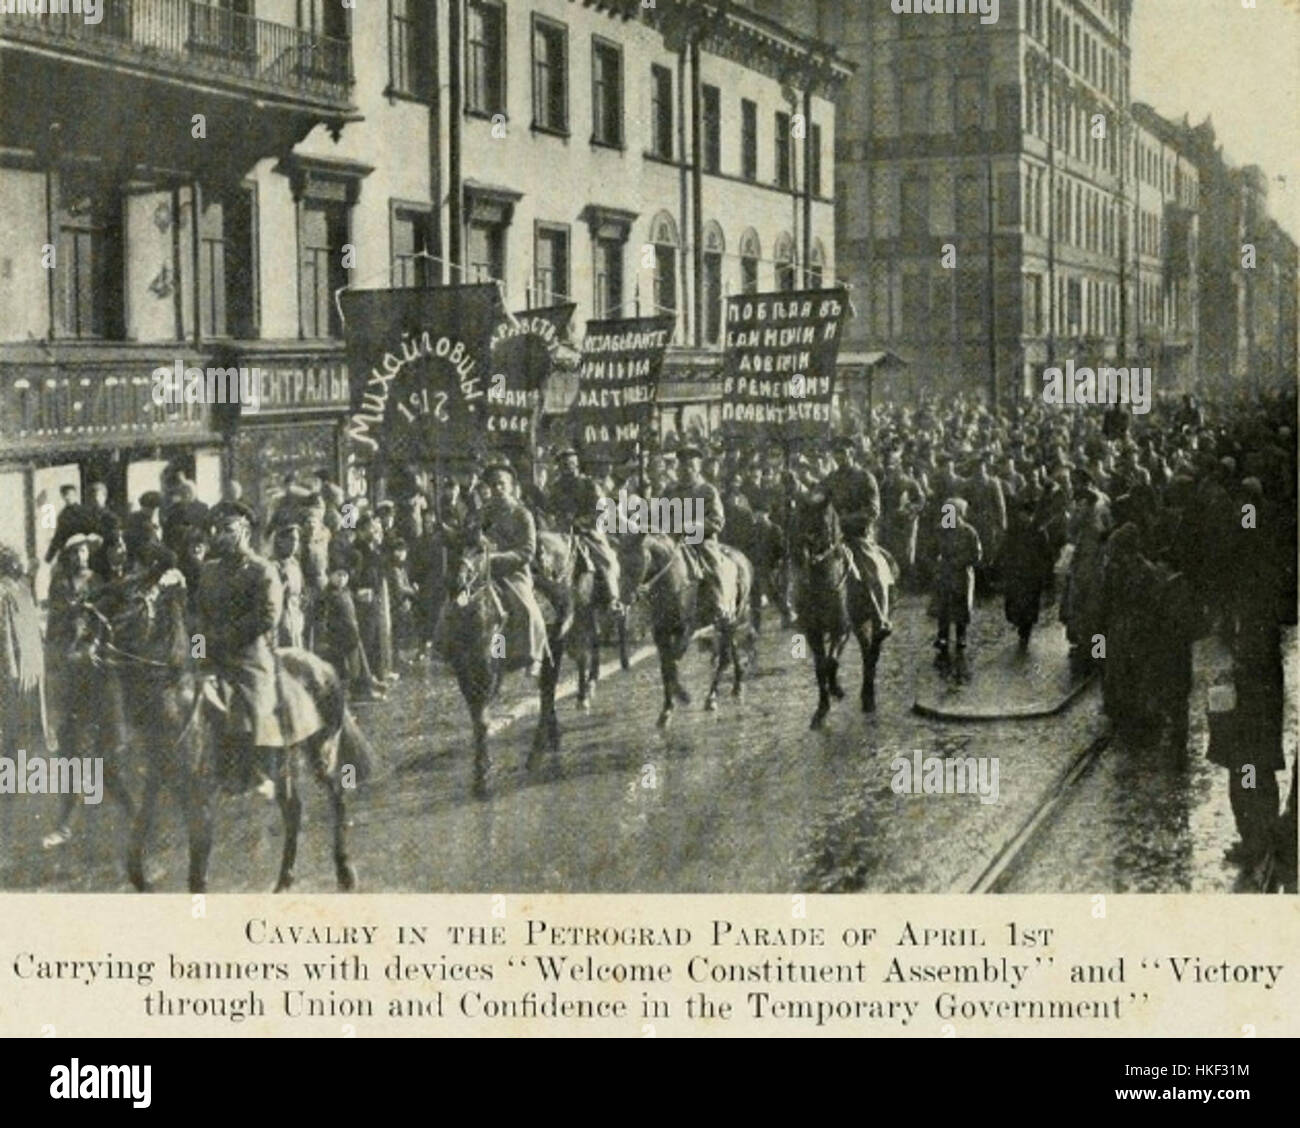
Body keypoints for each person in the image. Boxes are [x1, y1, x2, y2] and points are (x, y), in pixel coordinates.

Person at [195, 504, 323, 792]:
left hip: (250, 653)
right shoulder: (209, 572)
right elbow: (199, 617)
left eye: (228, 530)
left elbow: (267, 615)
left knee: (248, 702)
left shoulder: (261, 570)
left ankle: (259, 766)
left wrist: (226, 638)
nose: (220, 537)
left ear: (244, 533)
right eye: (217, 531)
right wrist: (199, 655)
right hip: (214, 654)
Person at [475, 463, 548, 678]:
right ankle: (449, 649)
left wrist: (498, 557)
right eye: (493, 484)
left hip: (512, 571)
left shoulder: (522, 514)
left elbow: (527, 550)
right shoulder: (483, 513)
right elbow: (471, 535)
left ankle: (534, 655)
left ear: (511, 486)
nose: (498, 489)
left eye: (502, 484)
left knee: (525, 607)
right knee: (457, 600)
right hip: (482, 568)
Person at [819, 436, 893, 636]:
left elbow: (873, 509)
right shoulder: (831, 478)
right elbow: (818, 499)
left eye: (843, 453)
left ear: (851, 453)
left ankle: (881, 616)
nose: (839, 457)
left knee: (872, 571)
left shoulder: (864, 477)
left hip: (858, 535)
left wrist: (847, 520)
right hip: (833, 537)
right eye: (836, 454)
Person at [657, 445, 734, 623]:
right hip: (672, 540)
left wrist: (691, 527)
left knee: (712, 564)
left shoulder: (707, 490)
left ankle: (720, 603)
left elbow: (717, 521)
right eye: (682, 467)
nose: (685, 471)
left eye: (690, 467)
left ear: (698, 468)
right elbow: (659, 515)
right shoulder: (670, 491)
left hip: (700, 540)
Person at [543, 448, 623, 612]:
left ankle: (613, 598)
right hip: (562, 532)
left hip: (587, 531)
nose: (568, 468)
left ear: (577, 465)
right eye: (564, 465)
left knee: (605, 558)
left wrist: (581, 521)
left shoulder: (589, 484)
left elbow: (602, 511)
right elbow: (550, 509)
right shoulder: (556, 488)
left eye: (571, 464)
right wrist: (553, 518)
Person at [0, 542, 49, 762]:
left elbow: (33, 626)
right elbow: (5, 635)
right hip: (17, 669)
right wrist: (11, 670)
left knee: (25, 721)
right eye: (14, 559)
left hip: (29, 664)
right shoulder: (5, 592)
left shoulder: (22, 588)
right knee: (13, 722)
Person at [315, 554, 386, 703]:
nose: (341, 579)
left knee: (359, 664)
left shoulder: (345, 592)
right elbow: (321, 618)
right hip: (338, 637)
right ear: (330, 575)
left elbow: (353, 605)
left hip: (352, 634)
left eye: (345, 575)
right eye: (338, 575)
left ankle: (363, 688)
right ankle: (349, 693)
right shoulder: (327, 595)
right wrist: (324, 635)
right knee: (345, 668)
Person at [999, 495, 1053, 647]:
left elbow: (1046, 553)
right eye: (1021, 514)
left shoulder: (1039, 531)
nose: (1023, 517)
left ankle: (1025, 631)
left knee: (1029, 604)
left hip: (1031, 574)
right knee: (1015, 603)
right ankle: (1020, 625)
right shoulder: (1014, 530)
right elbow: (1005, 548)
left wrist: (1046, 574)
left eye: (1026, 514)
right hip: (1016, 573)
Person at [933, 497, 982, 655]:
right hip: (945, 573)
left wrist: (959, 561)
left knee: (961, 606)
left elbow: (976, 555)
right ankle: (942, 636)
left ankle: (961, 636)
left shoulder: (969, 532)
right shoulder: (942, 530)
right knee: (943, 606)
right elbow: (933, 549)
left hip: (961, 574)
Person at [270, 524, 306, 649]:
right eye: (290, 539)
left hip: (296, 617)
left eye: (296, 540)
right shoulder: (273, 566)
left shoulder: (295, 565)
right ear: (280, 541)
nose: (294, 544)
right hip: (281, 620)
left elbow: (301, 591)